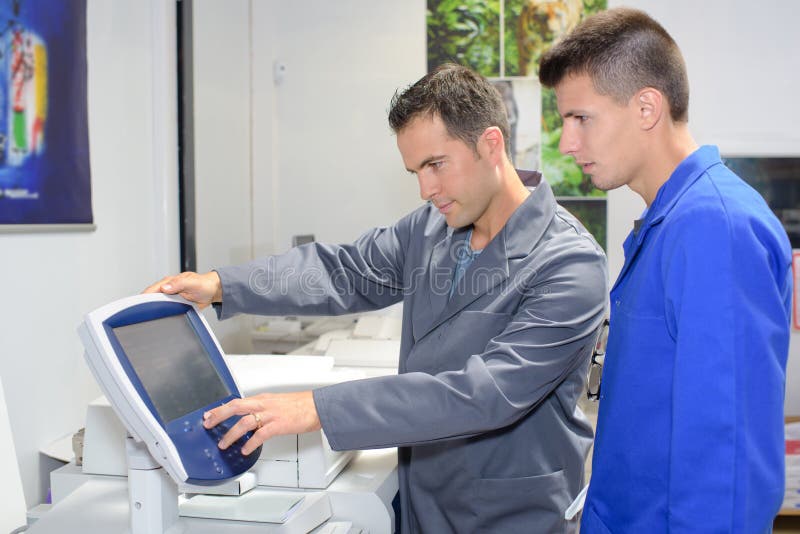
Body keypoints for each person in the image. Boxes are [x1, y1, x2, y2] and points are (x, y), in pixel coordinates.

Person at [146, 63, 608, 533]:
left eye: (435, 164)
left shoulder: (568, 263)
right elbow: (340, 271)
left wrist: (317, 408)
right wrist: (222, 285)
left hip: (508, 512)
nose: (425, 190)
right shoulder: (429, 230)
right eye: (415, 171)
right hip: (423, 496)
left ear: (490, 144)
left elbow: (483, 393)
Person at [539, 8, 793, 533]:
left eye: (580, 118)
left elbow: (724, 467)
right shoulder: (669, 222)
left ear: (647, 107)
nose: (566, 143)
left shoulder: (713, 228)